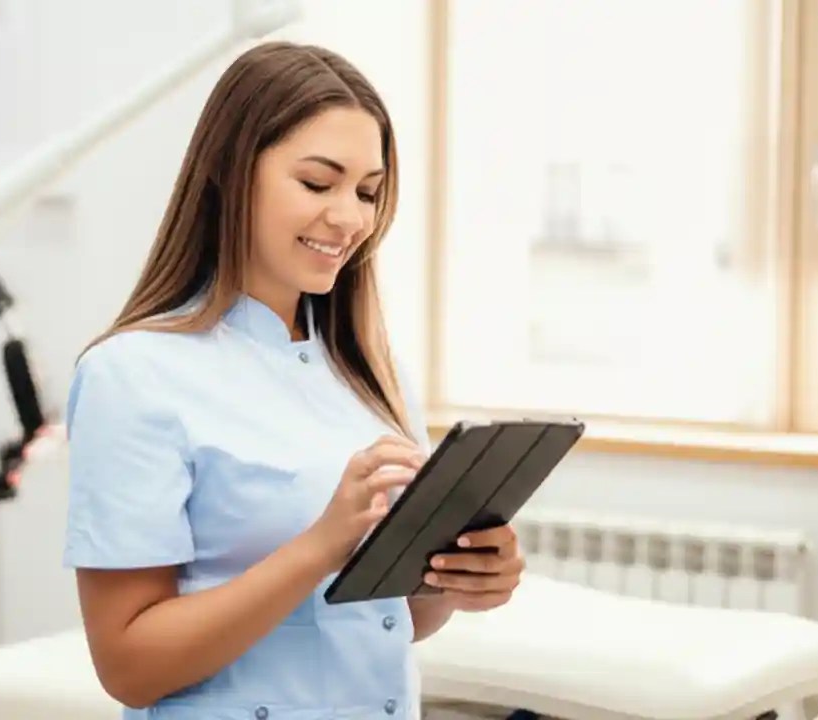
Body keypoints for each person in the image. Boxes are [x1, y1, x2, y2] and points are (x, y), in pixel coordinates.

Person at [62, 41, 525, 719]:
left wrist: (454, 581)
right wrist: (319, 547)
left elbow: (394, 620)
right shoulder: (132, 376)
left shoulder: (371, 370)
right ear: (230, 171)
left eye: (368, 191)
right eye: (317, 182)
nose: (349, 218)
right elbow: (129, 667)